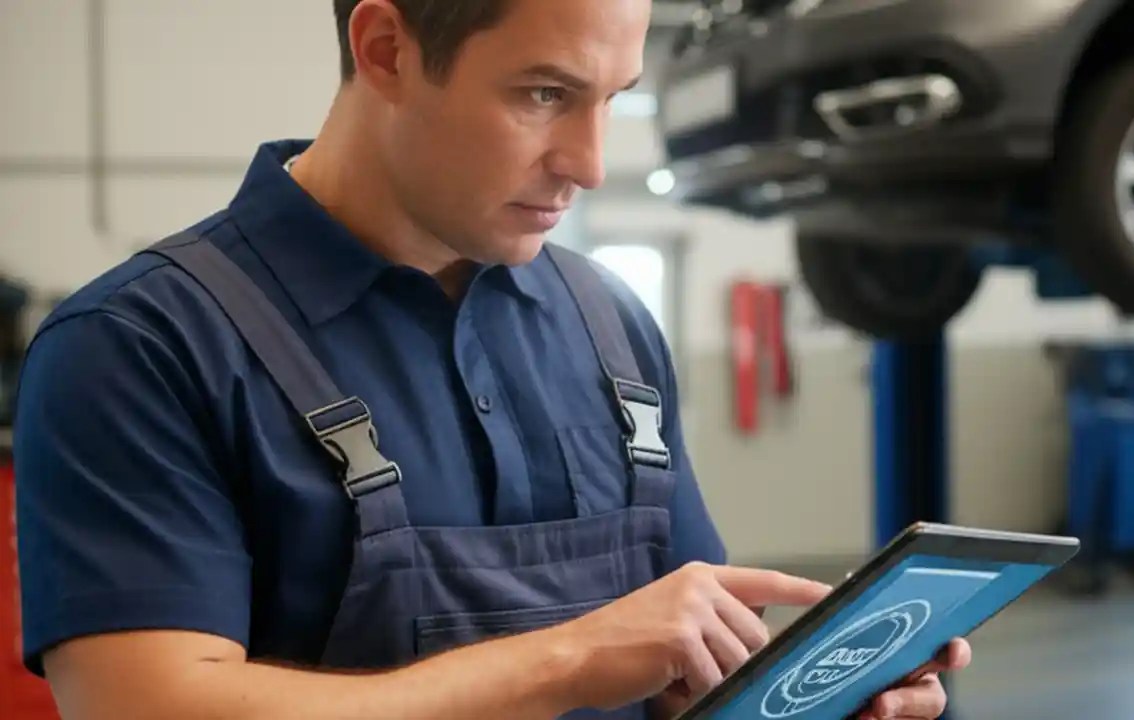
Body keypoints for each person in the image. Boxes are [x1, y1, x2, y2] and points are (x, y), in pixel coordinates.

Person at [13, 0, 971, 718]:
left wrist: (814, 690)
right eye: (544, 94)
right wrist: (568, 657)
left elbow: (682, 673)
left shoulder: (610, 325)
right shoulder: (141, 348)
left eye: (612, 100)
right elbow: (149, 709)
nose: (591, 163)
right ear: (386, 49)